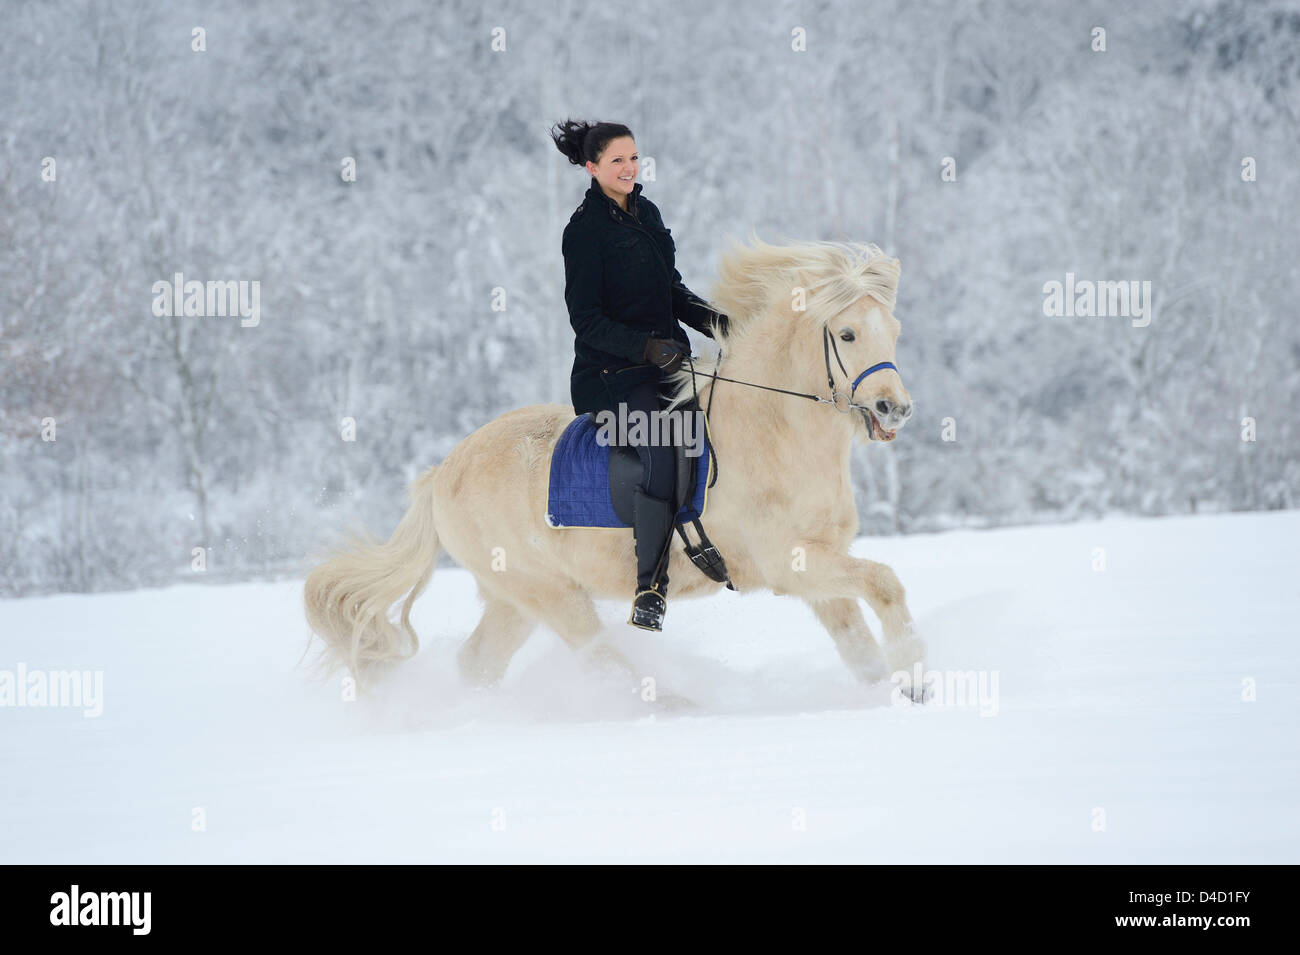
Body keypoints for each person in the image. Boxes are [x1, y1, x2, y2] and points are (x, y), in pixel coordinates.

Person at [550, 119, 729, 632]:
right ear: (591, 168)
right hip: (612, 374)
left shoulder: (646, 213)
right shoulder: (584, 232)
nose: (629, 168)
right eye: (616, 162)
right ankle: (650, 586)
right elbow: (585, 319)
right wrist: (646, 347)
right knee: (663, 443)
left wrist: (723, 326)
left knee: (720, 427)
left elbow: (670, 289)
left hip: (668, 363)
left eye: (633, 158)